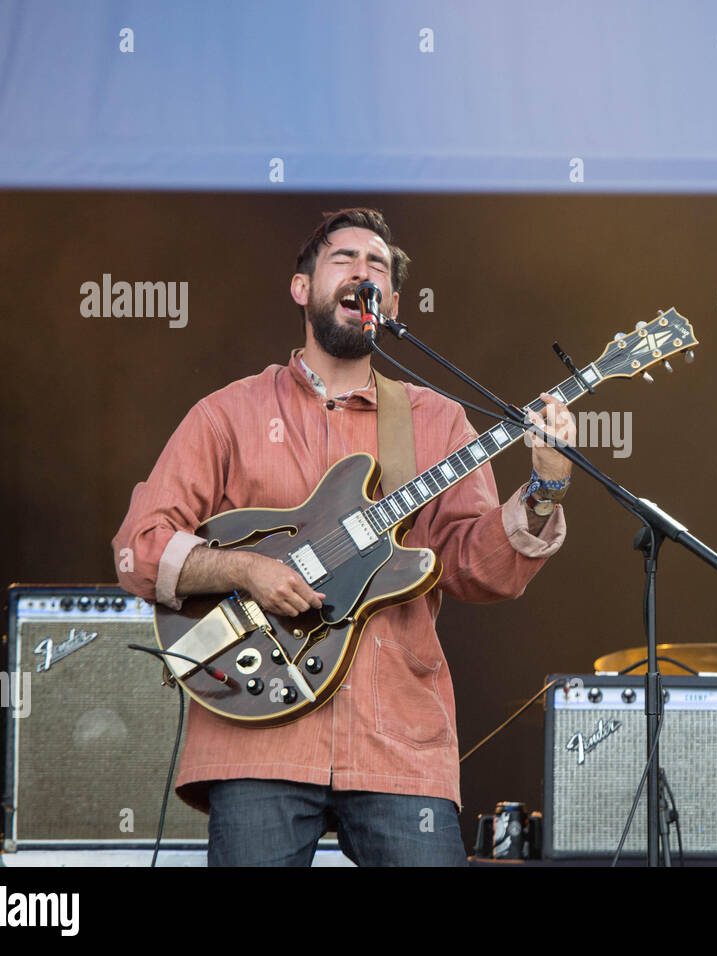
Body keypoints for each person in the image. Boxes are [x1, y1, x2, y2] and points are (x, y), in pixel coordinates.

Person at [112, 207, 575, 866]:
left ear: (391, 303)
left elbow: (479, 569)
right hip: (257, 734)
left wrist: (546, 488)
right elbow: (141, 544)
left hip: (397, 743)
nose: (364, 272)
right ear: (301, 287)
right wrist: (245, 572)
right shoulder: (228, 413)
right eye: (344, 260)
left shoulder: (435, 418)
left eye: (378, 267)